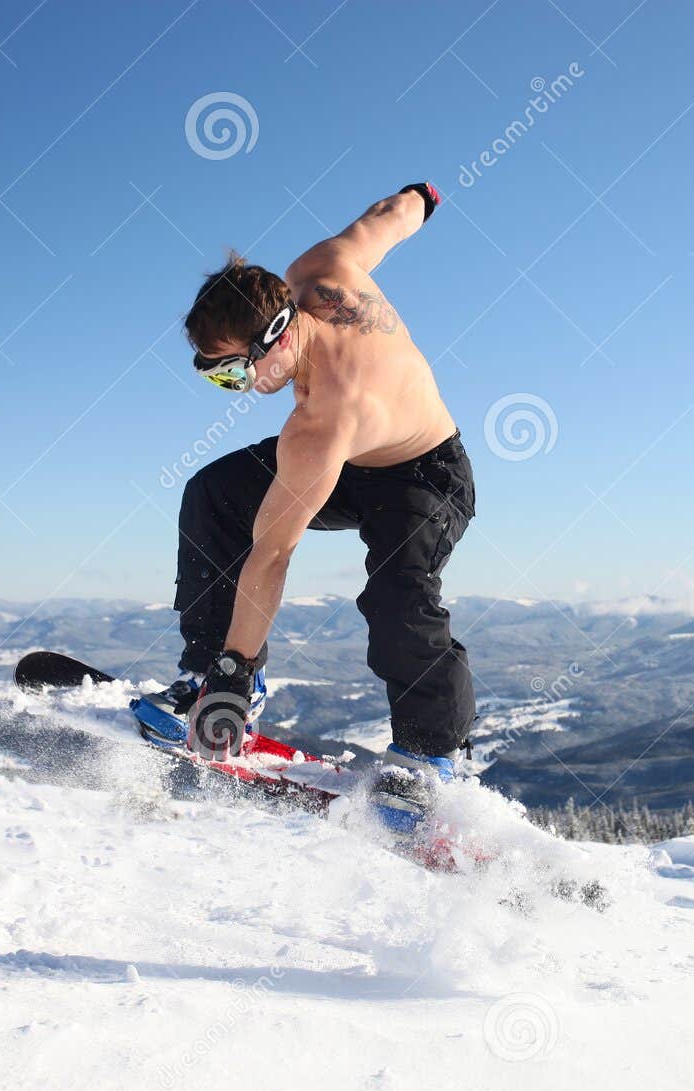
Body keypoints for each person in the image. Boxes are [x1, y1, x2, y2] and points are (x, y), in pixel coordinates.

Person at [131, 182, 475, 823]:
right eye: (212, 375)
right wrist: (420, 198)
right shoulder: (321, 272)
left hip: (427, 473)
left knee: (399, 592)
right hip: (356, 461)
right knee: (215, 493)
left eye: (233, 371)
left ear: (277, 339)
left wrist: (239, 665)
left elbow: (273, 554)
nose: (233, 388)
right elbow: (382, 222)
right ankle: (205, 670)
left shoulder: (319, 423)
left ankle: (431, 760)